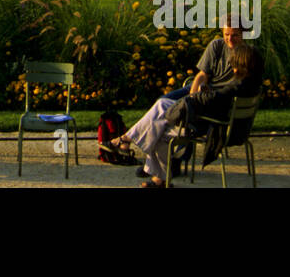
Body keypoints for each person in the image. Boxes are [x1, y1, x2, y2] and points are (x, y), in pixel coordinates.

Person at [106, 20, 262, 187]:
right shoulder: (246, 75)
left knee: (161, 118)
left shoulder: (241, 69)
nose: (230, 39)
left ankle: (136, 149)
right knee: (162, 108)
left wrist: (191, 101)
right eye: (227, 34)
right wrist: (194, 94)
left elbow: (215, 98)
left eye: (235, 35)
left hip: (211, 115)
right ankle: (148, 161)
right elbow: (202, 76)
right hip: (209, 99)